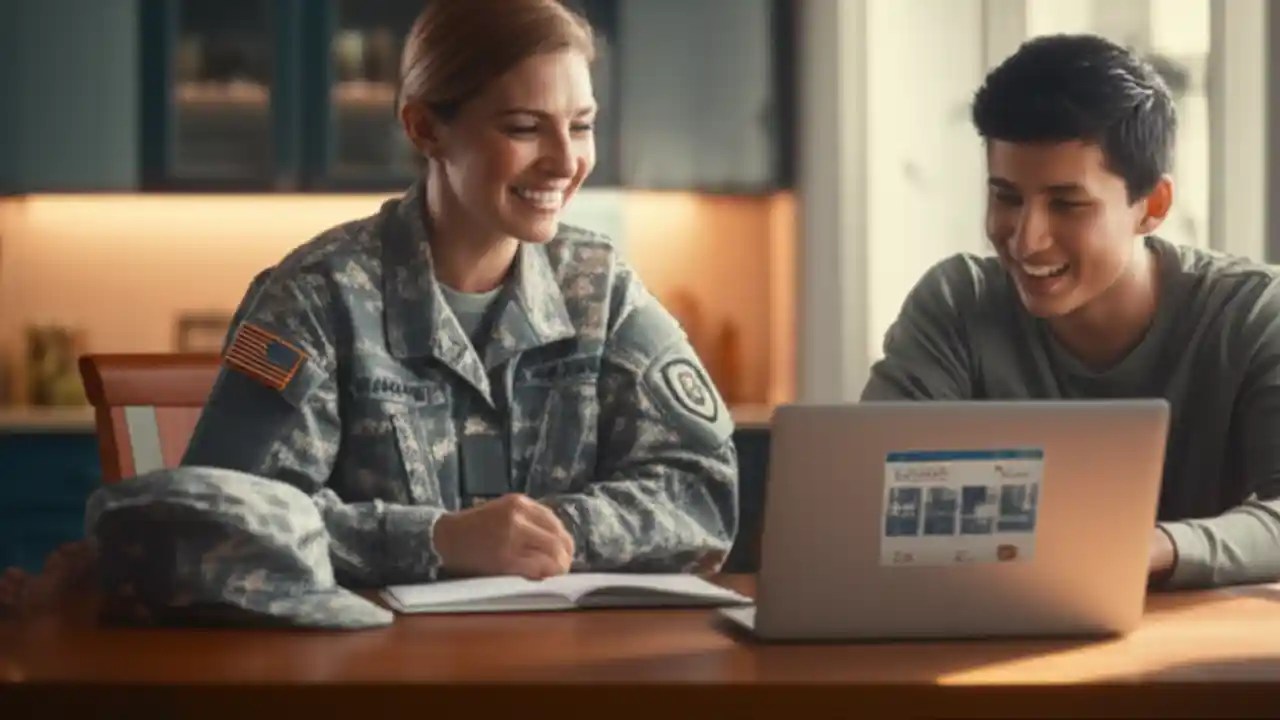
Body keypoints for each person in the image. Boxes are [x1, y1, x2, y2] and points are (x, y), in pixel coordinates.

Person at [1, 0, 738, 614]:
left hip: (556, 672)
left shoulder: (601, 290)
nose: (565, 158)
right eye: (522, 127)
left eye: (580, 125)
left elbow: (704, 492)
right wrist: (439, 539)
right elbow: (215, 527)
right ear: (424, 128)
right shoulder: (315, 298)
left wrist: (551, 533)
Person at [863, 34, 1280, 590]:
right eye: (1007, 197)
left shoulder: (1254, 314)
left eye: (1068, 204)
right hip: (988, 633)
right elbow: (868, 498)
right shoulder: (956, 304)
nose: (1026, 240)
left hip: (1192, 654)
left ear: (1152, 206)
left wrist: (1149, 547)